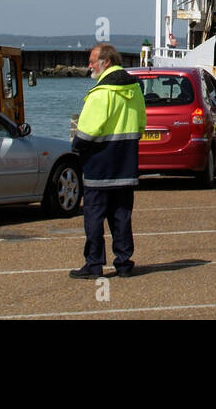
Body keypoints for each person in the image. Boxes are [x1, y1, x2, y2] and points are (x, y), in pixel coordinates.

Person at [70, 43, 146, 279]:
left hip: (99, 166)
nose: (89, 66)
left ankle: (94, 265)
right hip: (125, 165)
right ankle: (123, 263)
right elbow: (141, 125)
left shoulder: (101, 93)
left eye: (93, 61)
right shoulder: (135, 90)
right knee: (121, 216)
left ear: (107, 62)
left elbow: (86, 132)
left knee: (94, 217)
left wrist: (77, 148)